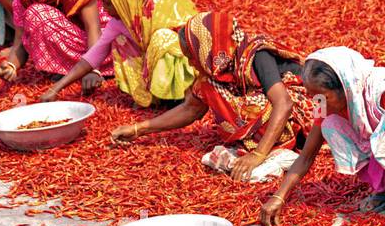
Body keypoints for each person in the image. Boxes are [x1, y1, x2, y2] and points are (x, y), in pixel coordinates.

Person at [259, 46, 385, 226]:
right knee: (331, 124)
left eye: (322, 96)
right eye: (312, 96)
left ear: (345, 87)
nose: (316, 103)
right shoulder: (327, 104)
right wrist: (279, 196)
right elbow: (306, 156)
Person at [110, 10, 319, 181]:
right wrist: (139, 129)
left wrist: (258, 154)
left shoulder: (256, 54)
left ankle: (277, 147)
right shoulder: (217, 71)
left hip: (307, 110)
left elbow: (284, 104)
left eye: (192, 57)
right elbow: (190, 108)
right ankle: (264, 145)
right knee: (208, 85)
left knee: (253, 105)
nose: (192, 64)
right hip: (280, 112)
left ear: (208, 49)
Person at [38, 0, 196, 108]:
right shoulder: (120, 20)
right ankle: (155, 95)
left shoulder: (164, 2)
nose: (105, 10)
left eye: (108, 3)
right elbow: (93, 56)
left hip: (192, 63)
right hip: (152, 62)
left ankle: (179, 96)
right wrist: (56, 88)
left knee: (161, 39)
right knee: (121, 42)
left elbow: (192, 37)